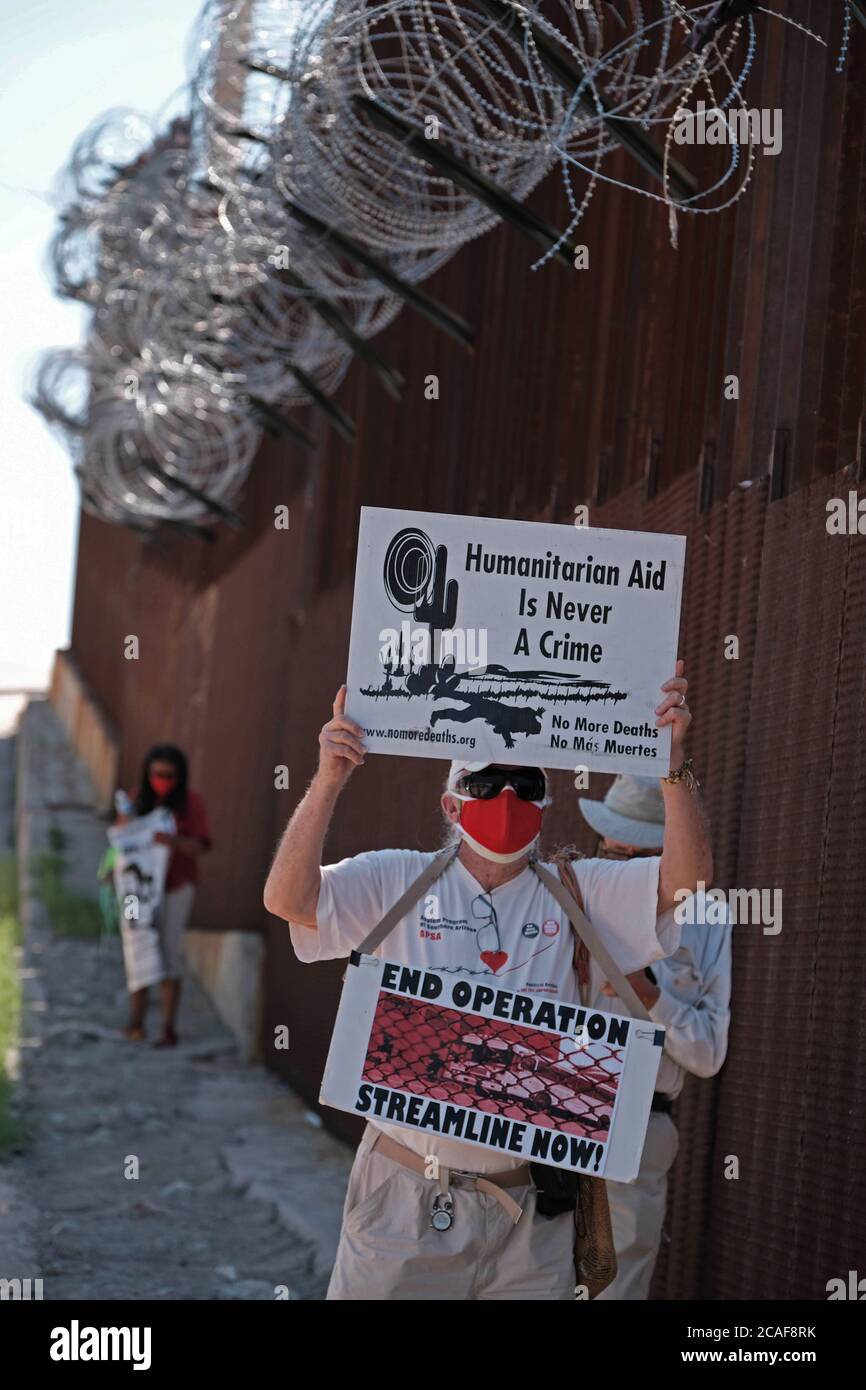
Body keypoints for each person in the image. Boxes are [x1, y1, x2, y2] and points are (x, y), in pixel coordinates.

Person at [264, 660, 713, 1301]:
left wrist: (673, 765)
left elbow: (687, 886)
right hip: (405, 1199)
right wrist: (329, 779)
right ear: (451, 803)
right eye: (487, 782)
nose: (507, 797)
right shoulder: (395, 878)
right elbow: (288, 899)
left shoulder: (582, 892)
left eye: (525, 783)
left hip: (531, 1215)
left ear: (546, 801)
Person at [577, 773, 732, 1300]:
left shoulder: (706, 918)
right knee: (527, 1277)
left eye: (634, 856)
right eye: (609, 850)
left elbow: (708, 1054)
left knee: (615, 1288)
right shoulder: (574, 892)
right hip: (550, 1108)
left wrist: (650, 998)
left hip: (640, 1126)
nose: (616, 866)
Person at [118, 744, 212, 1047]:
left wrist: (170, 841)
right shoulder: (135, 799)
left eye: (168, 775)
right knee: (136, 945)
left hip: (175, 888)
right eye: (156, 774)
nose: (162, 780)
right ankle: (135, 1022)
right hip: (135, 891)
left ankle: (168, 1029)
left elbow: (201, 845)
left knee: (169, 954)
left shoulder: (190, 803)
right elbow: (120, 843)